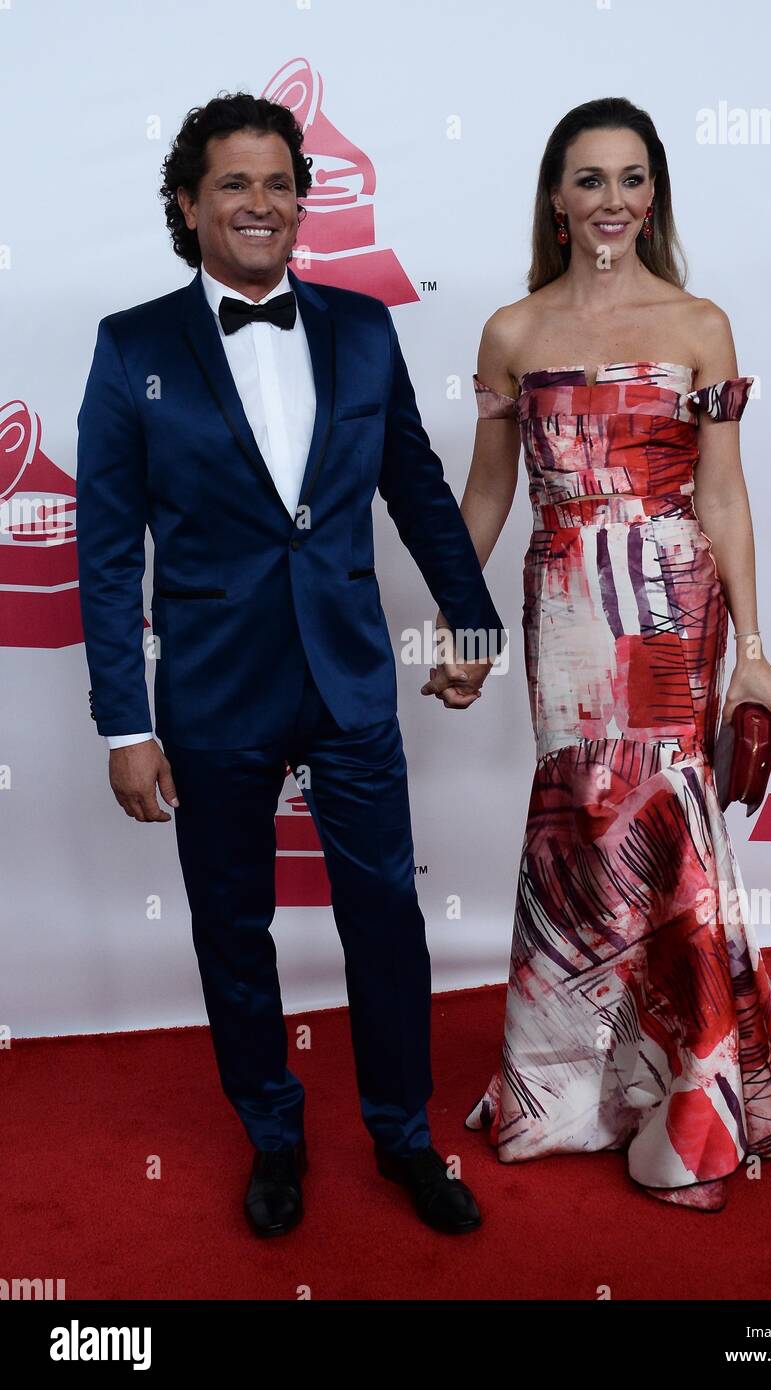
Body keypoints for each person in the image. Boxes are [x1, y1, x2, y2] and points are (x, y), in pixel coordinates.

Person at [76, 92, 507, 1238]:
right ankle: (273, 1134)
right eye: (233, 184)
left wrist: (470, 621)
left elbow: (413, 483)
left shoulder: (363, 328)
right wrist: (126, 725)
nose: (260, 203)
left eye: (278, 183)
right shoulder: (132, 347)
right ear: (188, 203)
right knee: (232, 922)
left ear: (303, 202)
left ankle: (404, 1136)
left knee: (385, 916)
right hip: (213, 693)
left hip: (349, 674)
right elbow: (109, 547)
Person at [424, 97, 771, 1212]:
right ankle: (581, 1090)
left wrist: (751, 650)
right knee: (580, 814)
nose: (612, 200)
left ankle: (695, 1090)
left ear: (655, 194)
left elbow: (722, 490)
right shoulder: (511, 331)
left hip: (670, 596)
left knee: (665, 808)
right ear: (555, 200)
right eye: (589, 179)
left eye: (631, 178)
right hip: (563, 603)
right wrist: (460, 622)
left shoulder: (699, 322)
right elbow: (490, 490)